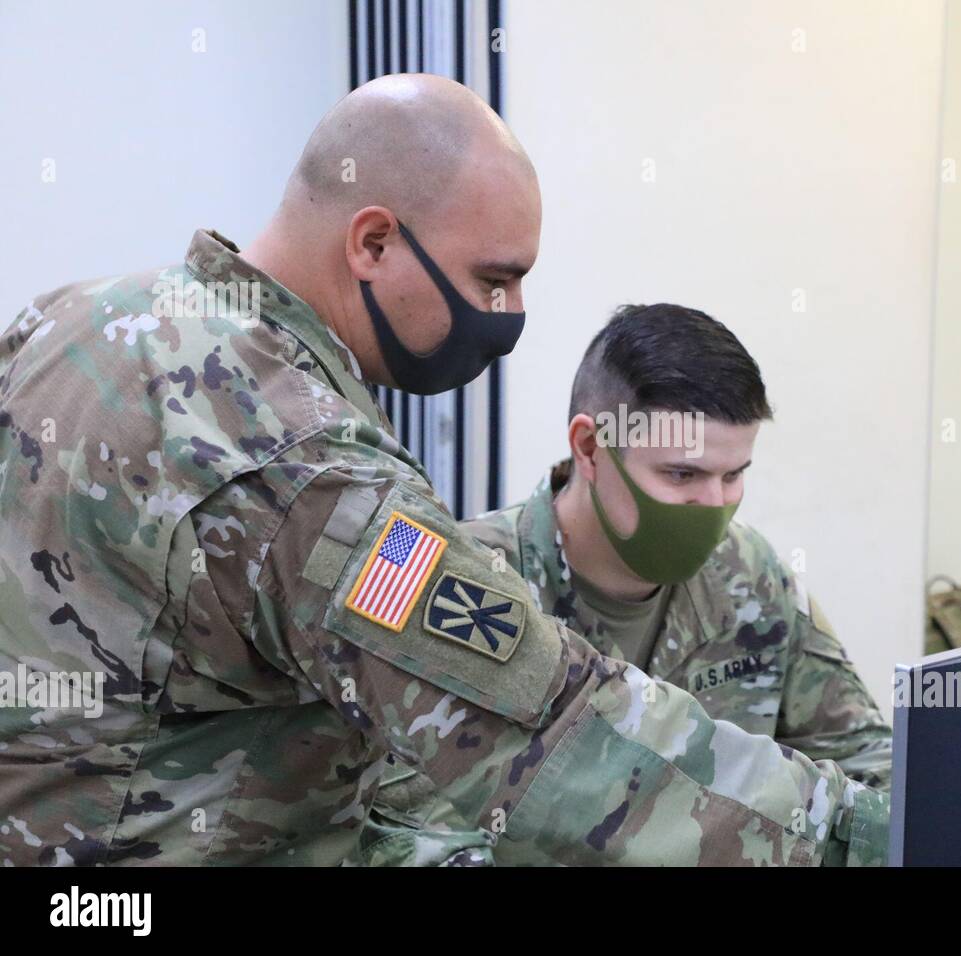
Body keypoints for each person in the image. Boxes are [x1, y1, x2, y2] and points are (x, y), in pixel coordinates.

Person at [0, 74, 886, 866]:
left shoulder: (67, 323)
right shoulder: (311, 472)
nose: (511, 315)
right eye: (493, 279)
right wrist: (870, 836)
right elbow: (552, 733)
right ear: (374, 243)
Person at [360, 303, 892, 866]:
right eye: (682, 474)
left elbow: (865, 759)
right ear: (590, 448)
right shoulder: (467, 585)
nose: (714, 505)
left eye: (733, 475)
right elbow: (406, 833)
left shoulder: (748, 573)